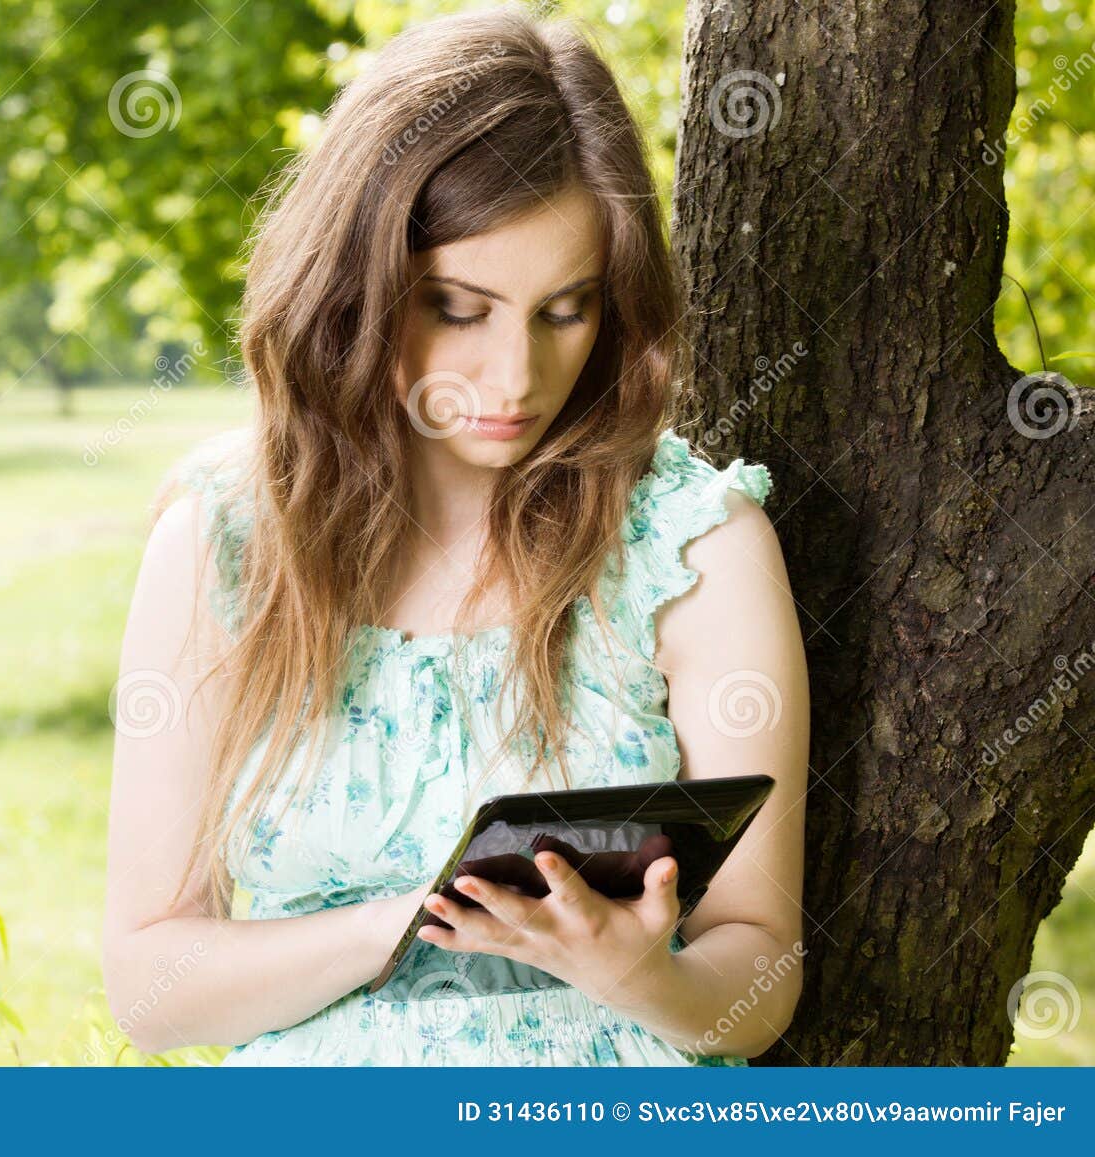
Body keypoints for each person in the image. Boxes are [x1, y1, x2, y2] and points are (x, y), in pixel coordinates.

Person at [102, 6, 807, 1066]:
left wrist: (639, 972)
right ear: (358, 284)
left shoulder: (693, 542)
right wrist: (408, 917)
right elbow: (152, 987)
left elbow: (758, 973)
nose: (516, 378)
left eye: (564, 309)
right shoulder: (224, 537)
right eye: (459, 307)